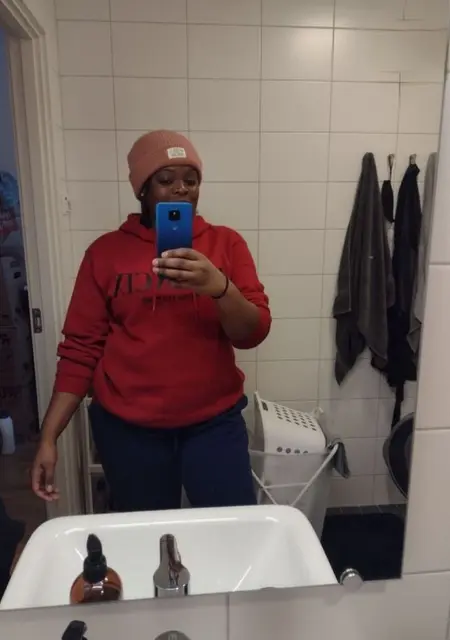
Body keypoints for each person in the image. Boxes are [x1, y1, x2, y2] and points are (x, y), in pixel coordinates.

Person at [31, 130, 271, 512]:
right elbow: (80, 350)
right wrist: (48, 437)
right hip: (129, 431)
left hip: (214, 424)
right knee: (145, 533)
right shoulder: (105, 253)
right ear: (142, 189)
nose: (181, 189)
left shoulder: (225, 244)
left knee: (232, 526)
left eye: (191, 180)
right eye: (165, 179)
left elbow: (253, 333)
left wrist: (219, 287)